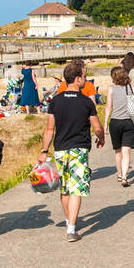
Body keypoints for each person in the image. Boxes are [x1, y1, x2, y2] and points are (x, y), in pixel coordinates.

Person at [37, 60, 106, 241]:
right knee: (77, 188)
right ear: (76, 79)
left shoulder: (55, 101)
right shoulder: (86, 102)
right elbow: (97, 127)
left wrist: (44, 150)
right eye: (83, 76)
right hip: (79, 149)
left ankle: (69, 221)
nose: (85, 79)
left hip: (60, 149)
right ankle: (71, 228)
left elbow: (49, 129)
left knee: (65, 189)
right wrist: (101, 139)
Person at [106, 65, 134, 187]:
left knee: (117, 151)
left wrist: (105, 124)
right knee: (127, 151)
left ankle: (119, 174)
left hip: (115, 121)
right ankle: (125, 177)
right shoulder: (130, 86)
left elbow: (109, 106)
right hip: (129, 121)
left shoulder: (111, 88)